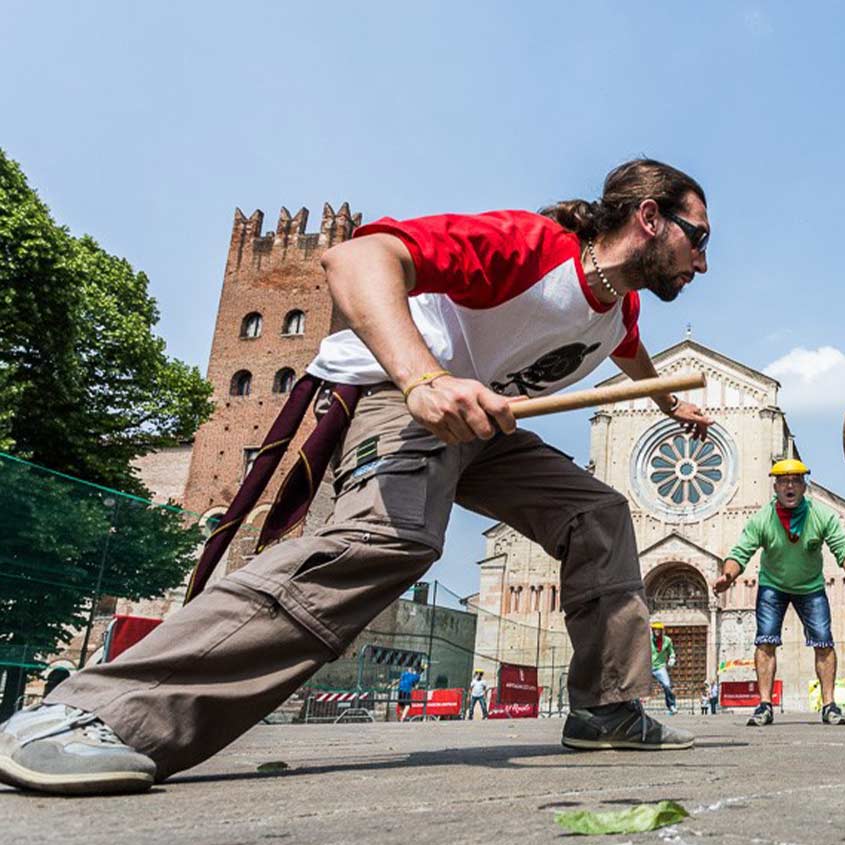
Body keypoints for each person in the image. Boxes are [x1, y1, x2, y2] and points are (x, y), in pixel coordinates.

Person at [0, 159, 714, 795]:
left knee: (597, 514)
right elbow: (356, 259)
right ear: (649, 219)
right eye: (698, 238)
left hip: (480, 424)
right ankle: (92, 713)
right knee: (386, 539)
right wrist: (423, 378)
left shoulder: (618, 307)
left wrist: (669, 401)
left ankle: (608, 709)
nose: (703, 262)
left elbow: (631, 354)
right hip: (397, 393)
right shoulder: (528, 247)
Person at [713, 459, 845, 727]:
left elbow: (843, 548)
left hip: (811, 588)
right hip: (773, 586)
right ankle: (764, 706)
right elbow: (741, 551)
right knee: (765, 641)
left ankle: (829, 705)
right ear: (775, 487)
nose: (790, 485)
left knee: (823, 643)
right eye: (784, 481)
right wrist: (728, 575)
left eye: (796, 480)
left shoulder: (822, 515)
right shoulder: (762, 518)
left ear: (804, 486)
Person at [649, 621, 678, 715]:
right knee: (635, 683)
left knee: (667, 685)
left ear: (662, 631)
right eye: (655, 629)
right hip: (647, 666)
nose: (656, 631)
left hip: (660, 667)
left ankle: (671, 705)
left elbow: (671, 651)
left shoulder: (667, 641)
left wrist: (672, 658)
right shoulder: (647, 640)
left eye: (658, 629)